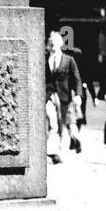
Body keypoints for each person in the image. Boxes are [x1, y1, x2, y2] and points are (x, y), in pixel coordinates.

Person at [46, 30, 83, 158]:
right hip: (49, 97)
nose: (52, 46)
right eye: (51, 43)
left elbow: (76, 78)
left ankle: (65, 146)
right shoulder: (44, 59)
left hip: (64, 97)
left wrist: (78, 94)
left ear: (60, 44)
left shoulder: (69, 60)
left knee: (64, 122)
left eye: (55, 43)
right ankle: (53, 151)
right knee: (53, 122)